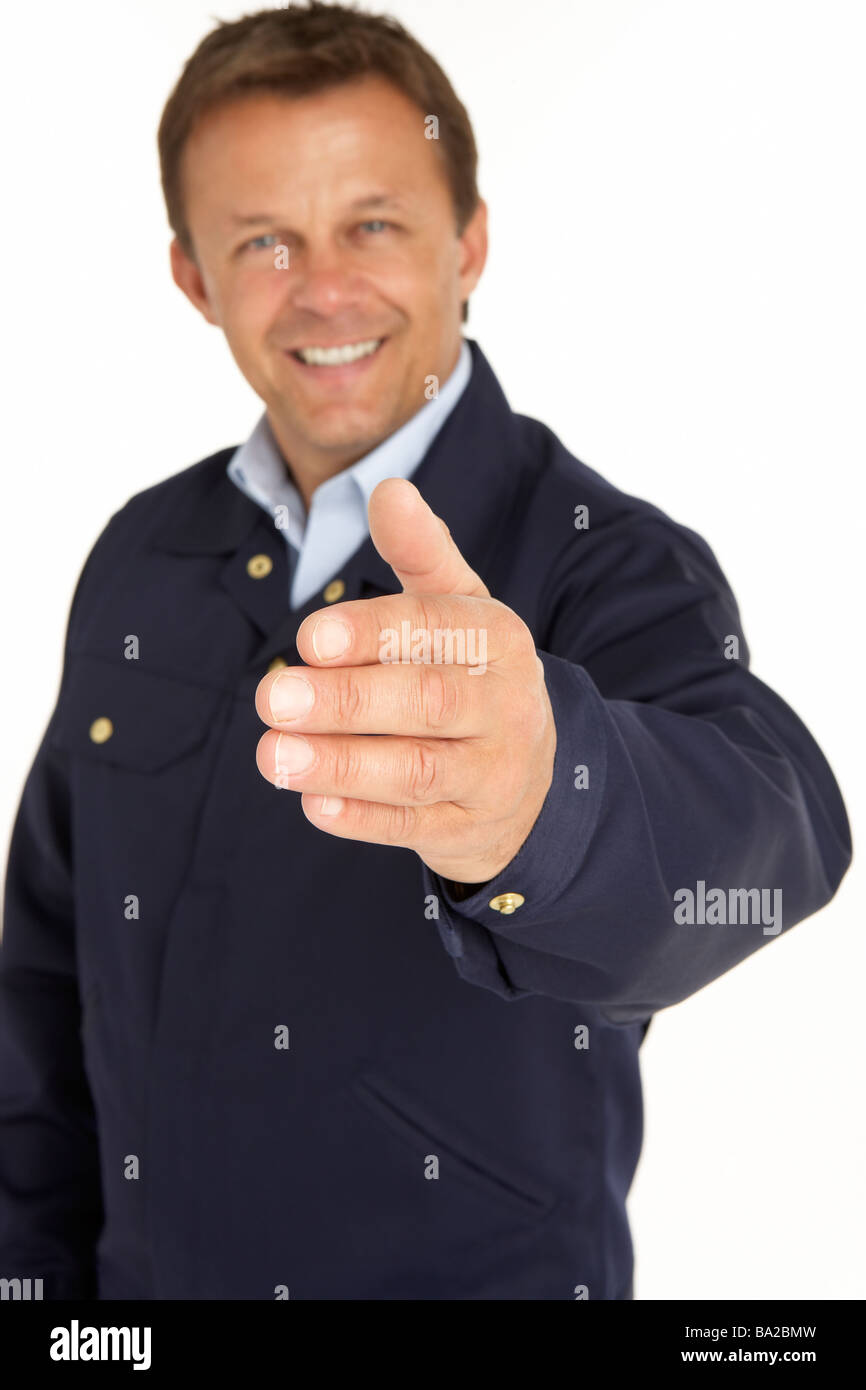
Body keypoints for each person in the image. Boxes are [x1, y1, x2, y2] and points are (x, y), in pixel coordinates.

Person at [0, 1, 851, 1301]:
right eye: (264, 241)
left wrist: (545, 800)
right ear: (192, 277)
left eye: (374, 225)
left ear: (470, 242)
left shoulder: (598, 552)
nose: (325, 287)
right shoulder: (138, 556)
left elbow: (774, 827)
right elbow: (44, 983)